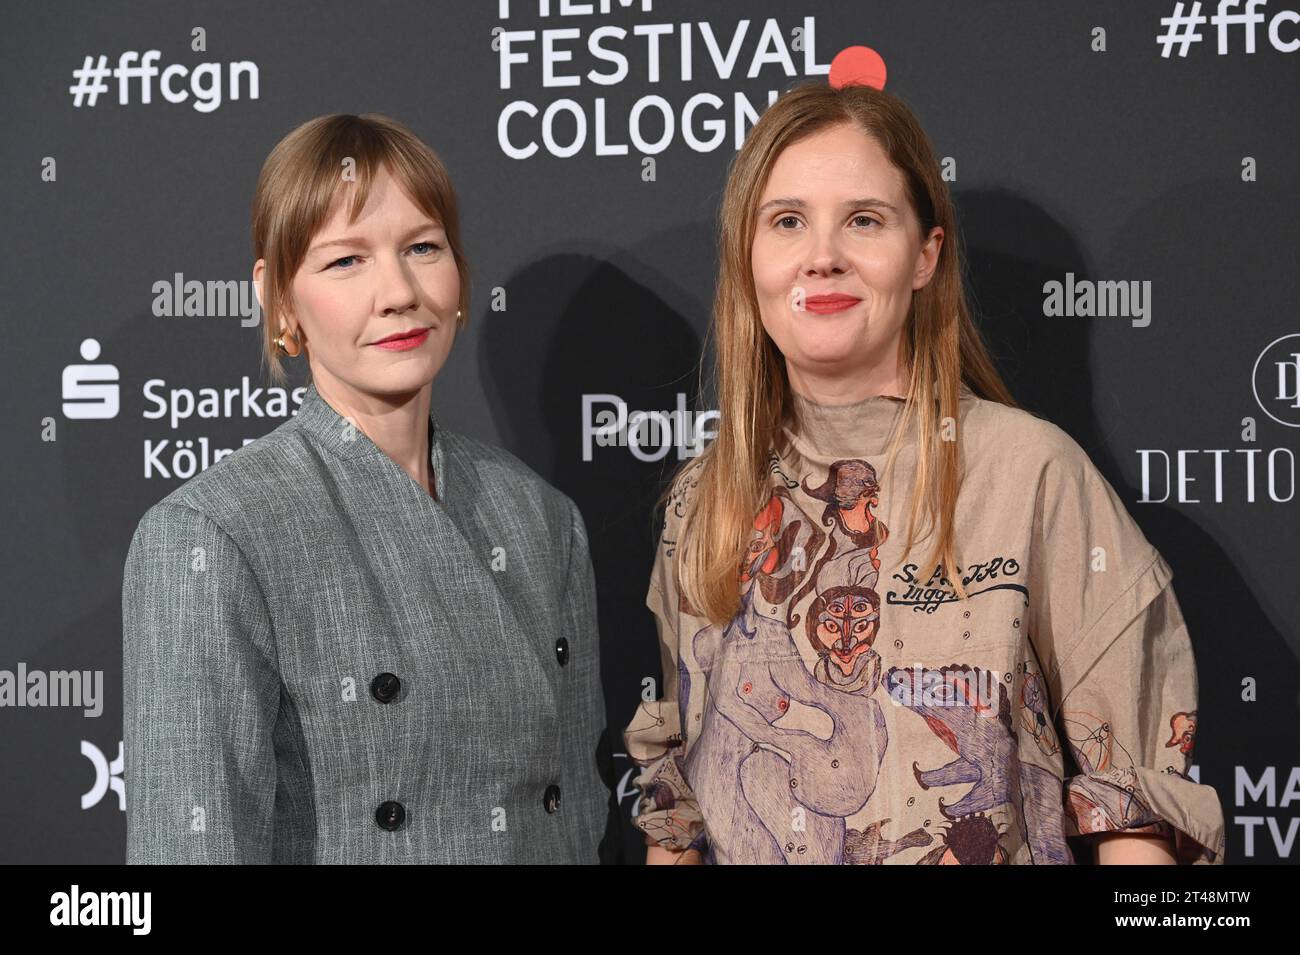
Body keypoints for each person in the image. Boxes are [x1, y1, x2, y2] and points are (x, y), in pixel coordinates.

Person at [622, 81, 1225, 865]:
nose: (824, 254)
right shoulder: (705, 502)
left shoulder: (1029, 471)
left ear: (925, 254)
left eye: (864, 220)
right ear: (747, 257)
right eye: (788, 221)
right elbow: (682, 815)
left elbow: (1136, 816)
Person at [122, 113, 608, 863]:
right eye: (346, 261)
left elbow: (575, 815)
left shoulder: (543, 519)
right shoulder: (211, 534)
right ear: (280, 300)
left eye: (422, 247)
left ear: (458, 276)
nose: (398, 292)